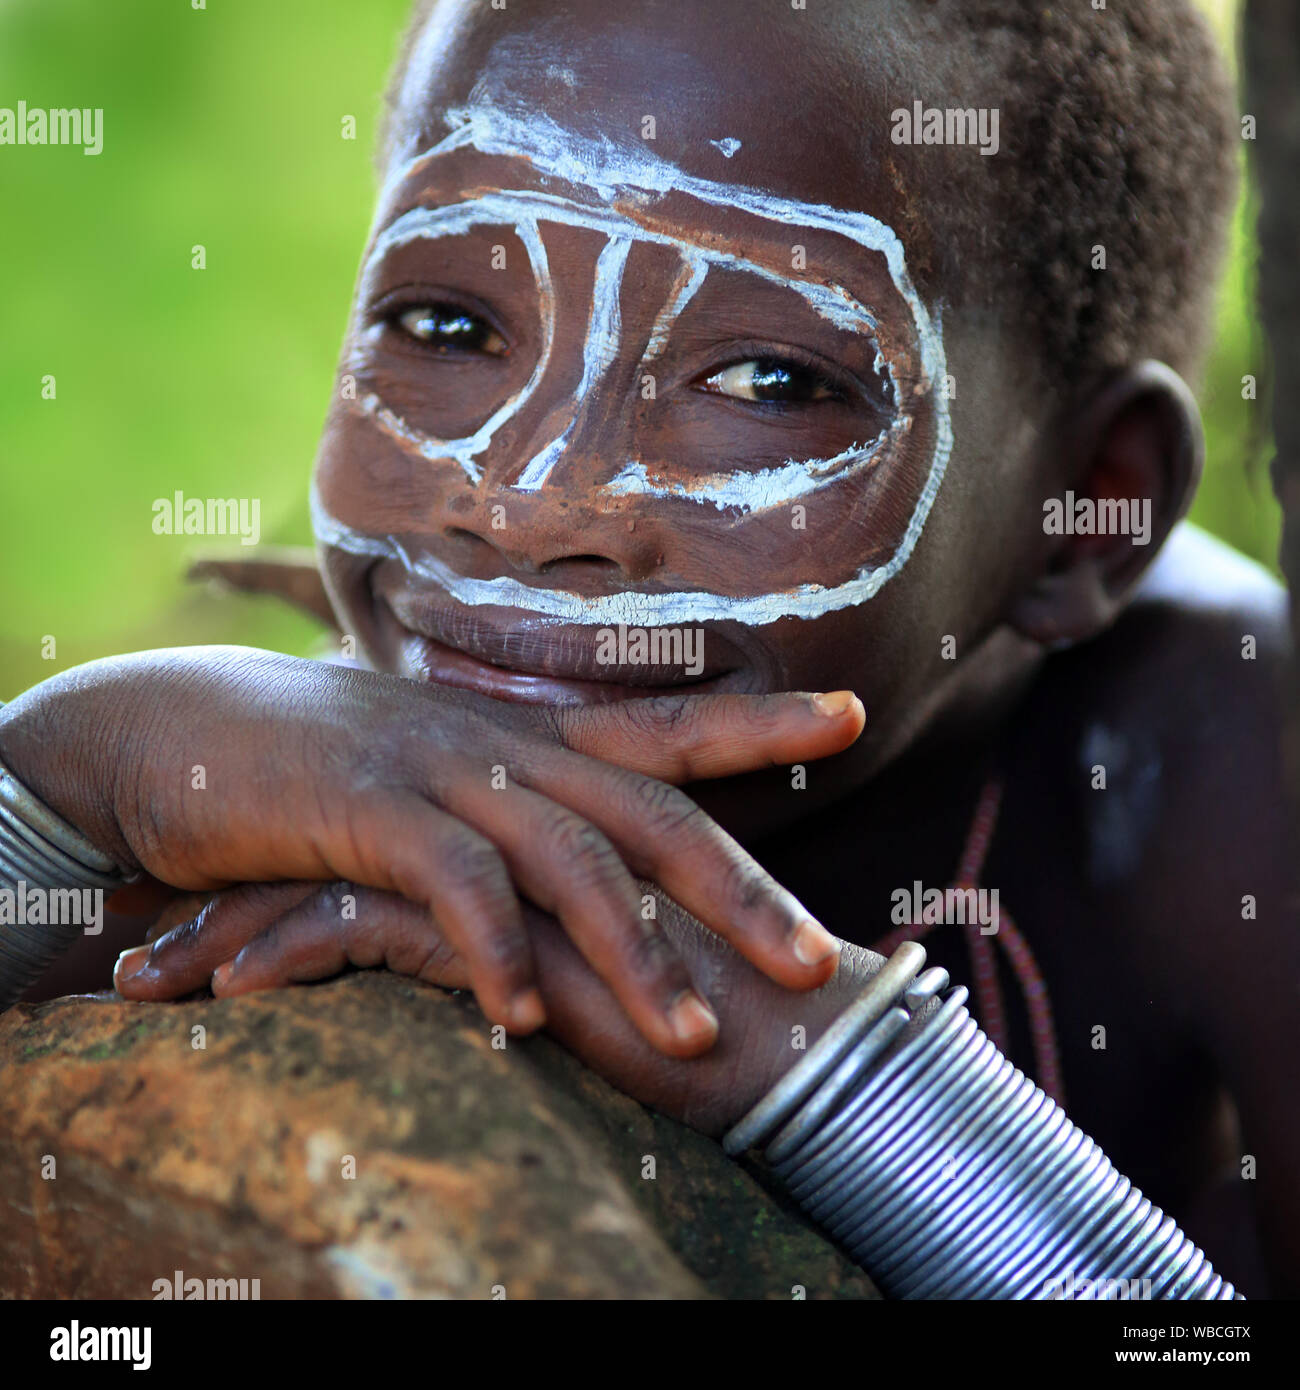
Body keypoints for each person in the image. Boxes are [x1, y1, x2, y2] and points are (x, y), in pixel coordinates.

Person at [1, 0, 1292, 1295]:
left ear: (1087, 511)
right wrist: (67, 769)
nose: (528, 502)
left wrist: (816, 1063)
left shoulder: (1217, 762)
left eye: (769, 382)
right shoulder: (234, 797)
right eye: (450, 325)